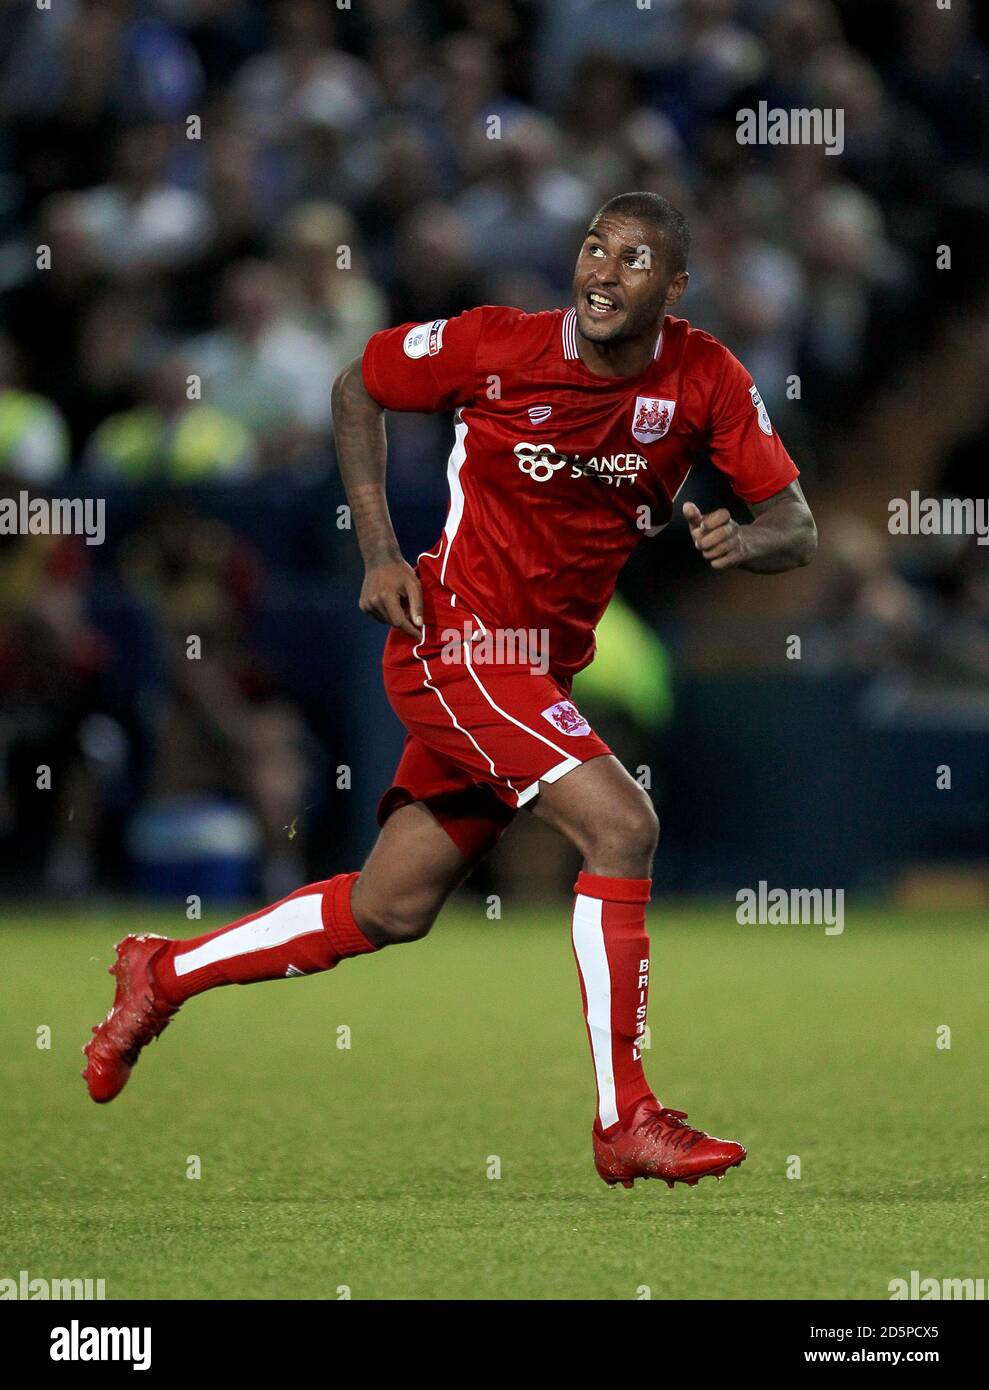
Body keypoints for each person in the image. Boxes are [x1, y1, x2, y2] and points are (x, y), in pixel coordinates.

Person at [83, 192, 817, 1191]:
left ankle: (160, 974)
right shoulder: (493, 345)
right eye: (592, 249)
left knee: (391, 906)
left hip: (536, 668)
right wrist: (381, 551)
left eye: (632, 261)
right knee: (622, 826)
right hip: (455, 642)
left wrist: (742, 540)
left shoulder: (706, 378)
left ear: (673, 287)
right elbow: (356, 388)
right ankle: (625, 1118)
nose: (602, 273)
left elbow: (793, 524)